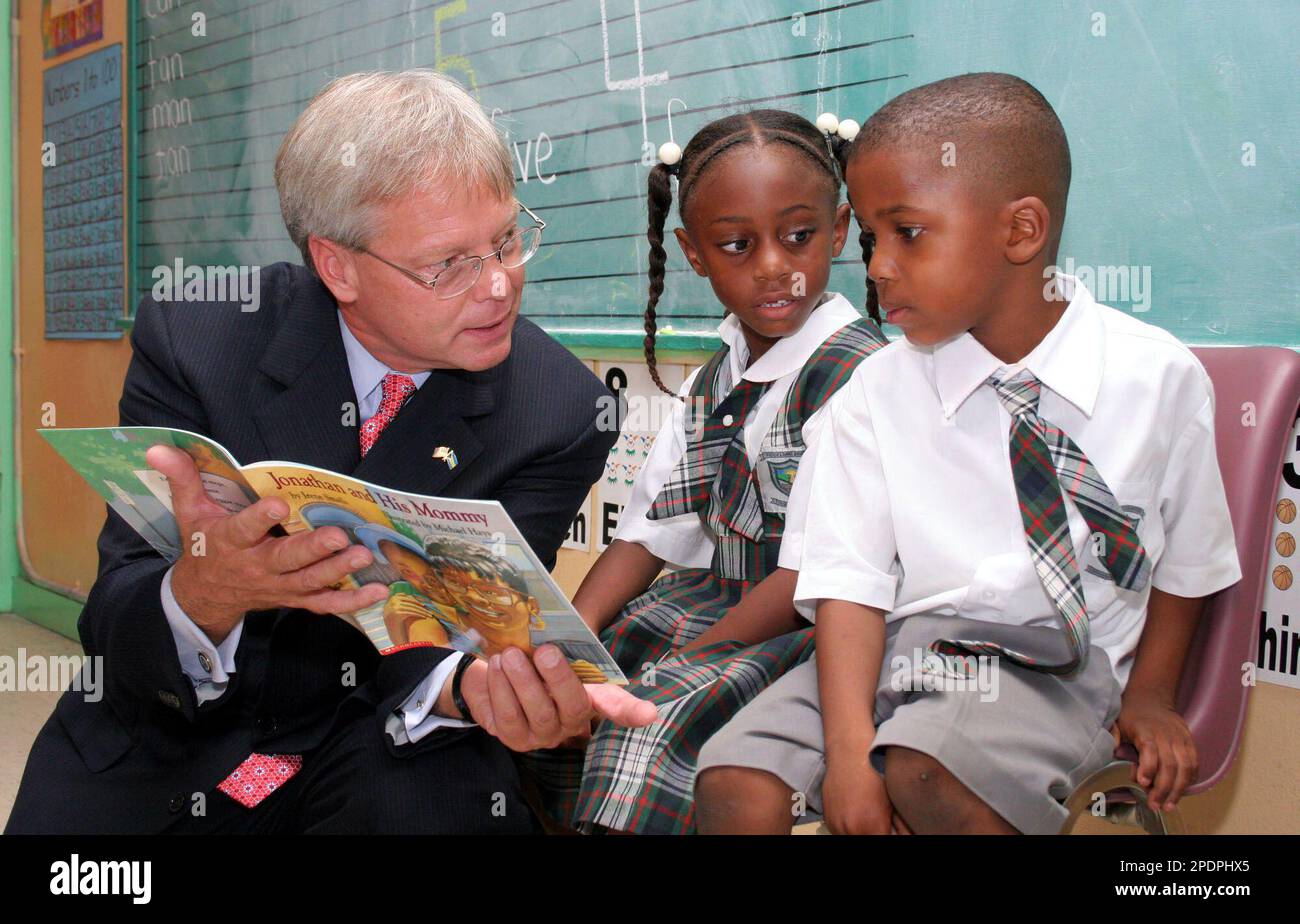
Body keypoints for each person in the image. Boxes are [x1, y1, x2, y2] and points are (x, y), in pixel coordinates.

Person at [7, 70, 654, 835]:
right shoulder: (200, 340)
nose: (499, 286)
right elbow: (117, 615)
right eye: (448, 264)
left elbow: (463, 635)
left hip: (377, 736)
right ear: (337, 265)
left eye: (507, 240)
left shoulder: (558, 409)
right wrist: (205, 595)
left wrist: (472, 688)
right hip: (172, 734)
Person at [693, 73, 1242, 835]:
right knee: (737, 781)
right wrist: (850, 753)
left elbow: (1192, 561)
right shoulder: (874, 393)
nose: (879, 267)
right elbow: (847, 584)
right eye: (872, 240)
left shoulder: (1158, 378)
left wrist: (1150, 695)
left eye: (906, 233)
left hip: (1052, 668)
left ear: (1020, 232)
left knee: (926, 763)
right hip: (890, 653)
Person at [523, 109, 889, 834]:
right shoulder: (720, 376)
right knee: (555, 705)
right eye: (736, 245)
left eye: (799, 236)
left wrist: (689, 656)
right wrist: (571, 640)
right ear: (694, 254)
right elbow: (645, 537)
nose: (774, 266)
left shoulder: (862, 378)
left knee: (644, 722)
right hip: (713, 603)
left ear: (840, 230)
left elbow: (810, 579)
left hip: (809, 629)